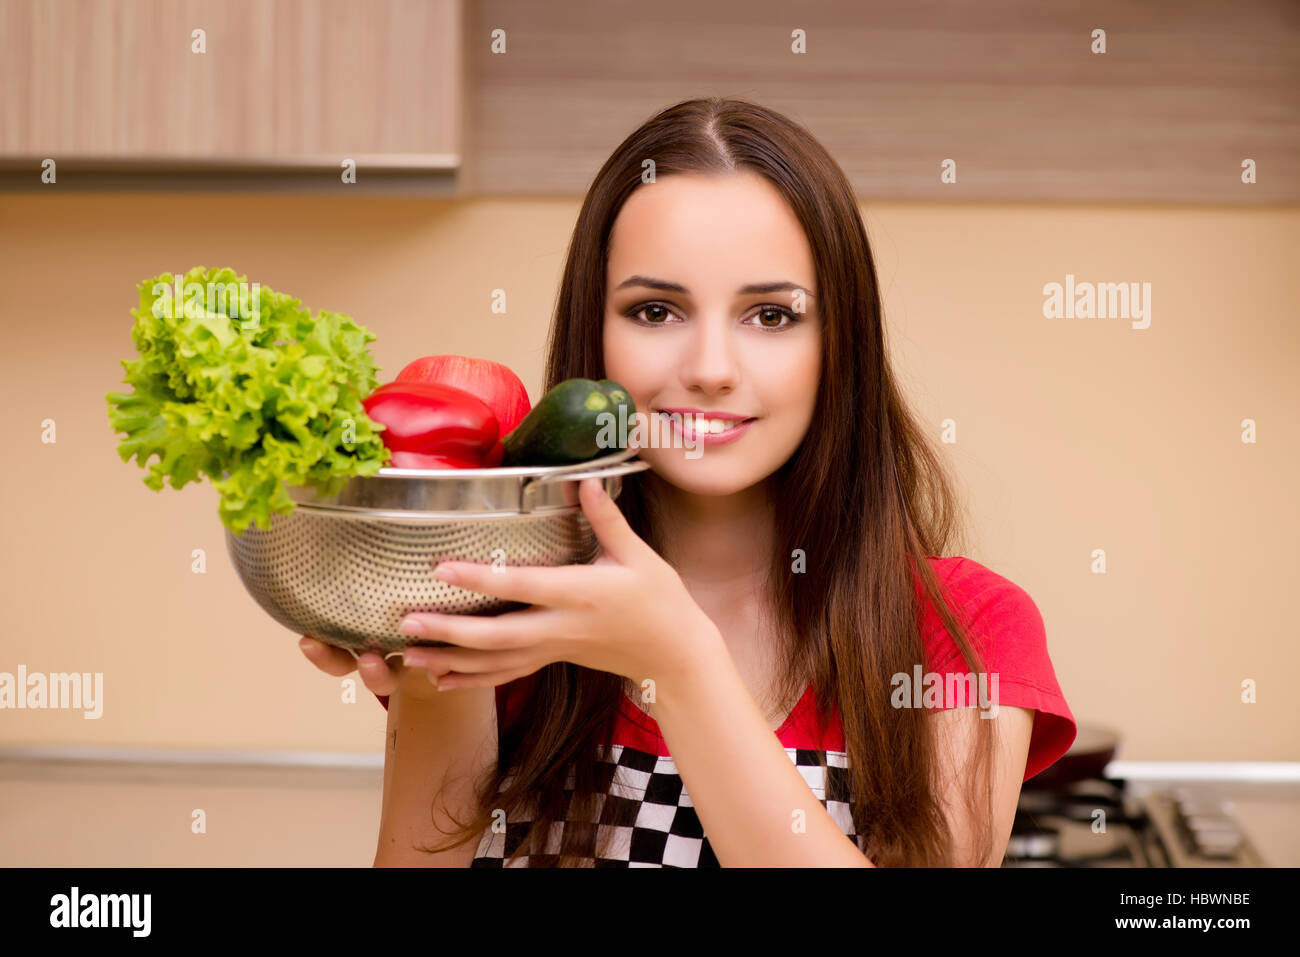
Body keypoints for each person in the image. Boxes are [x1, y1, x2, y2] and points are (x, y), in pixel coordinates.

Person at [299, 97, 1076, 867]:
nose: (709, 369)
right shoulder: (511, 618)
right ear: (595, 333)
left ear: (841, 344)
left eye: (770, 315)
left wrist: (679, 661)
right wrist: (434, 642)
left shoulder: (967, 634)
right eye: (656, 310)